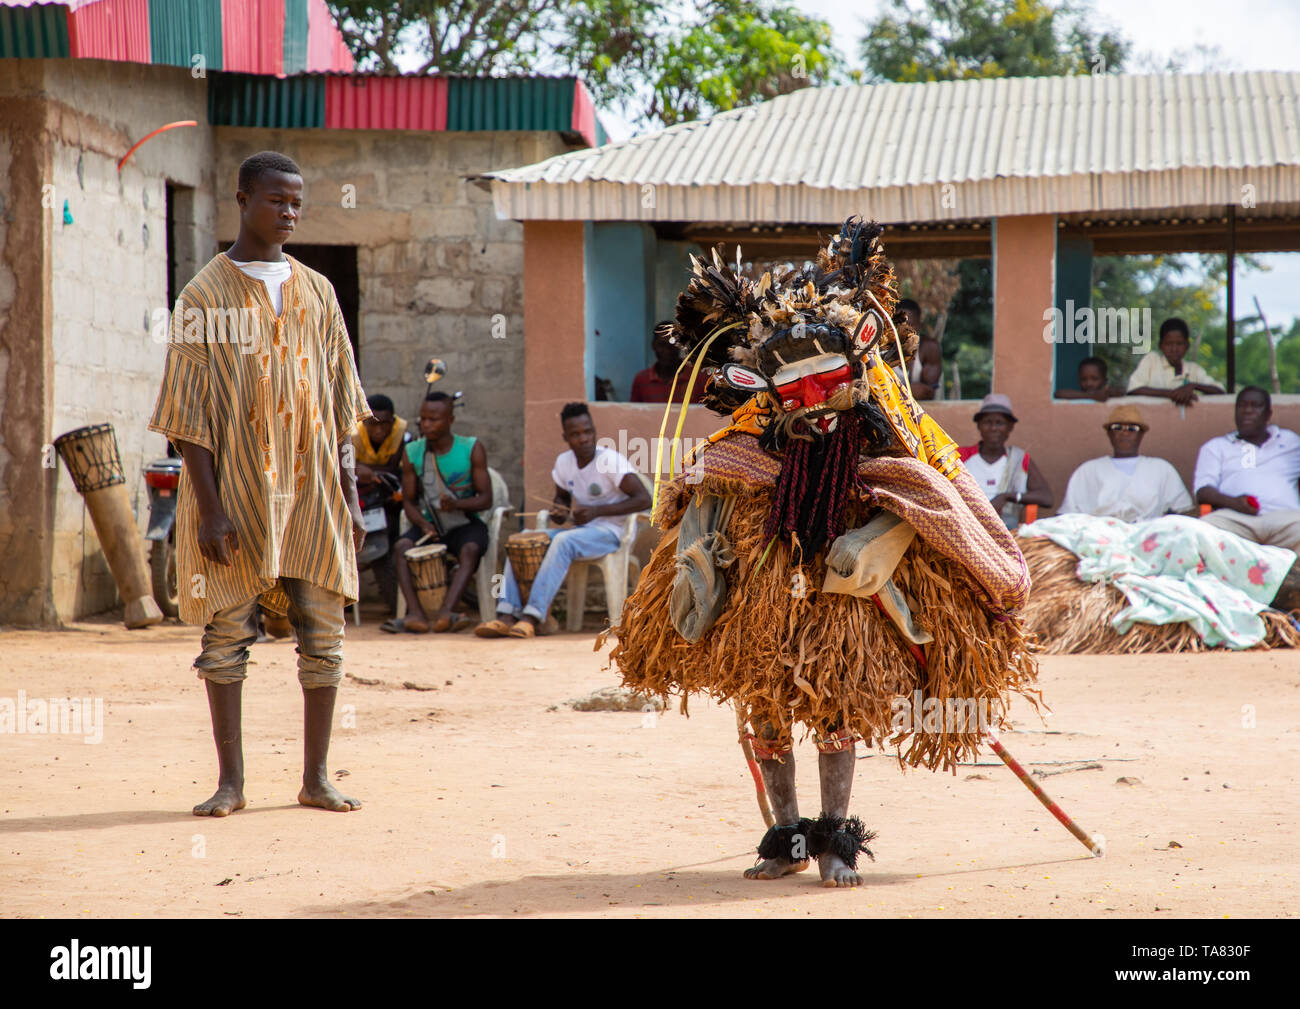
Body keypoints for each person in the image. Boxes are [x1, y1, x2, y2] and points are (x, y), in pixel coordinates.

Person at [612, 218, 1039, 887]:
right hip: (765, 575)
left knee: (834, 696)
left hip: (846, 582)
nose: (814, 402)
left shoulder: (887, 417)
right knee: (764, 698)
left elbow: (937, 485)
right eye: (796, 388)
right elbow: (707, 474)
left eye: (828, 380)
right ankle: (785, 837)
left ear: (859, 354)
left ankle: (836, 837)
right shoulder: (749, 430)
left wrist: (896, 523)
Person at [148, 150, 368, 816]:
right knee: (225, 633)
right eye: (278, 201)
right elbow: (186, 416)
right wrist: (209, 509)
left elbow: (339, 402)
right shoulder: (203, 296)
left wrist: (350, 496)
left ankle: (316, 776)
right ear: (242, 200)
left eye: (298, 202)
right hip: (232, 495)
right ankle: (231, 782)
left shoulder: (318, 291)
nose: (291, 212)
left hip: (310, 493)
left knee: (323, 631)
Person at [475, 402, 650, 639]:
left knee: (563, 542)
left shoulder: (609, 460)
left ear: (594, 431)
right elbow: (562, 498)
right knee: (520, 540)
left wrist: (597, 512)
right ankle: (506, 614)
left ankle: (532, 617)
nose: (584, 439)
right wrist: (559, 511)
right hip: (582, 532)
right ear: (565, 437)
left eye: (588, 432)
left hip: (612, 533)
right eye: (576, 434)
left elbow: (644, 499)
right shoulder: (564, 463)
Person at [386, 391, 493, 633]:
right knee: (401, 547)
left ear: (450, 420)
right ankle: (415, 614)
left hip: (465, 523)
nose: (426, 424)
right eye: (423, 419)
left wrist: (457, 505)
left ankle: (447, 611)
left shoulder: (471, 448)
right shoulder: (413, 451)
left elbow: (486, 499)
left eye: (434, 419)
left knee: (471, 549)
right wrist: (424, 526)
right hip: (432, 524)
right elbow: (409, 502)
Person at [1194, 386, 1300, 552]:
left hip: (1285, 519)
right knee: (1199, 531)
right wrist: (1234, 502)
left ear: (1268, 414)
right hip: (1235, 519)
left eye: (1255, 406)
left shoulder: (1291, 442)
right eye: (1242, 406)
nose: (1247, 411)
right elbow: (1203, 492)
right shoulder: (1216, 447)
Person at [1058, 405, 1193, 521]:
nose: (1124, 433)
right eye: (1117, 428)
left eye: (1132, 429)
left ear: (1141, 435)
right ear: (1109, 434)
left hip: (1148, 538)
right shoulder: (1088, 470)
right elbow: (1066, 516)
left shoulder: (1162, 468)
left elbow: (1182, 512)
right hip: (1098, 538)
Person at [958, 394, 1054, 529]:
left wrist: (1007, 497)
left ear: (1010, 427)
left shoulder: (1018, 459)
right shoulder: (961, 456)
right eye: (987, 422)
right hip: (966, 527)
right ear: (979, 425)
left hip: (1006, 531)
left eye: (999, 423)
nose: (993, 428)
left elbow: (1047, 498)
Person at [351, 392, 409, 614]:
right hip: (359, 501)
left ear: (393, 422)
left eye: (384, 424)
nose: (378, 430)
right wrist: (357, 471)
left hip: (389, 501)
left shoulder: (404, 437)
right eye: (373, 424)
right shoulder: (352, 435)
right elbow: (338, 465)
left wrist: (366, 470)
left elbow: (401, 470)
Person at [1126, 317, 1224, 404]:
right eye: (1169, 344)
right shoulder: (1152, 360)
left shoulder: (1194, 369)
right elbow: (1134, 389)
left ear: (1187, 346)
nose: (1174, 349)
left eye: (1179, 344)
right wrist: (1173, 394)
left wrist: (1193, 386)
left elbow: (1220, 391)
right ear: (1160, 345)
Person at [630, 321, 704, 403]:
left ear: (681, 346)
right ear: (654, 345)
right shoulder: (641, 380)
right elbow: (633, 412)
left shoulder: (698, 377)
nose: (667, 350)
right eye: (661, 344)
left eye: (672, 345)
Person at [893, 298, 942, 400]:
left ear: (919, 325)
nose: (905, 330)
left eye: (910, 325)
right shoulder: (880, 349)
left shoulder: (929, 348)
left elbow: (926, 392)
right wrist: (910, 389)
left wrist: (893, 390)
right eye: (899, 324)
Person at [1056, 356, 1123, 401]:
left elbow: (1122, 391)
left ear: (1105, 380)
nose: (1089, 383)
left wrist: (1109, 392)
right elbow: (1059, 394)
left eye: (1094, 379)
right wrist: (1092, 396)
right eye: (1083, 379)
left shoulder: (1108, 393)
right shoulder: (1077, 395)